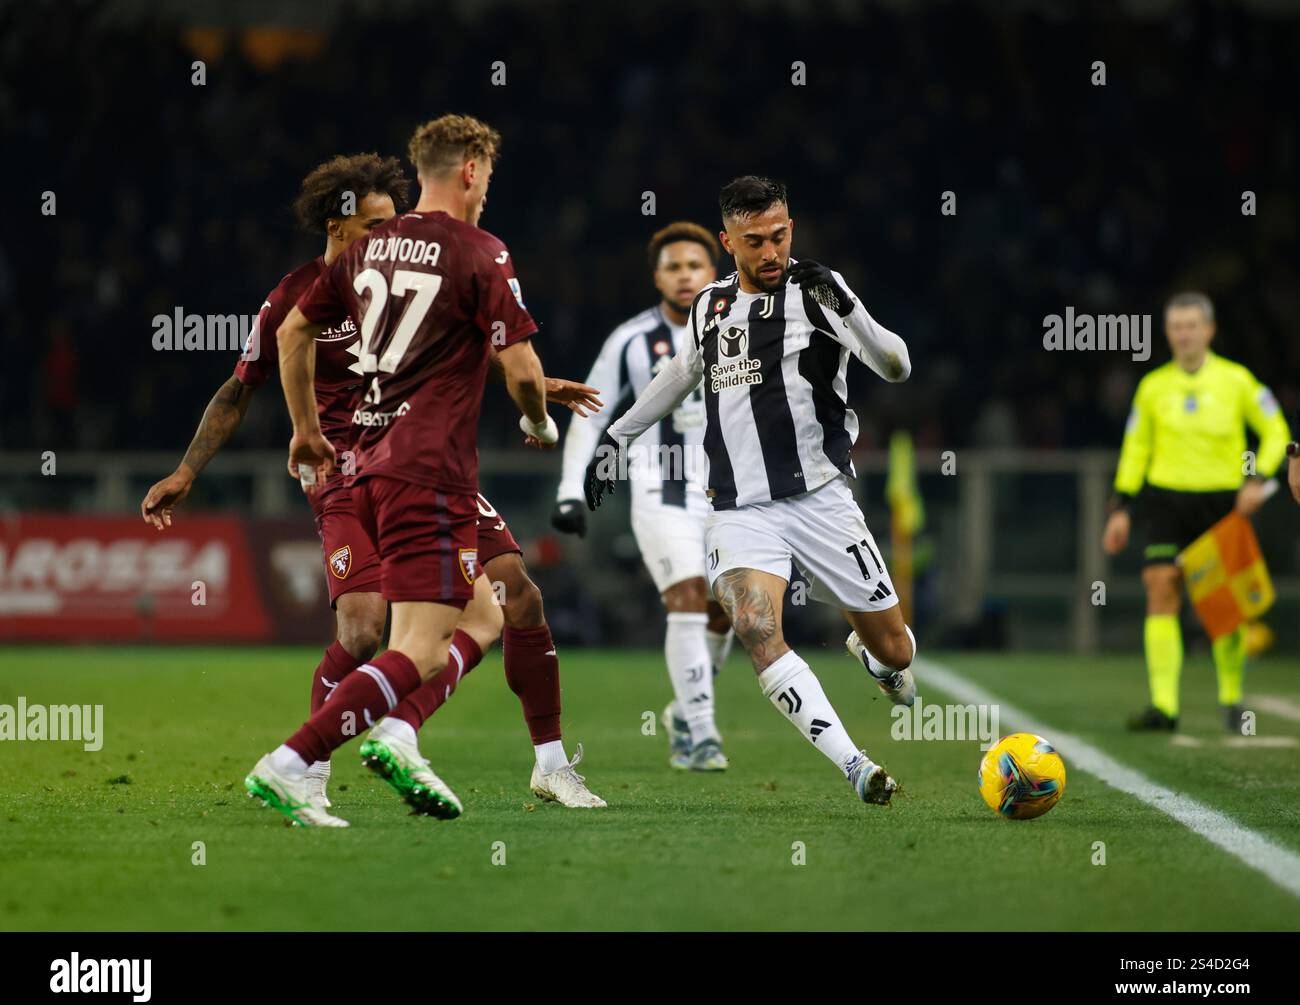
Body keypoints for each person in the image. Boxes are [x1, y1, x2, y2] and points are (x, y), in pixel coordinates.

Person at [244, 115, 605, 826]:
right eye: (488, 177)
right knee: (416, 647)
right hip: (428, 469)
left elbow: (294, 331)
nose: (487, 191)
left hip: (375, 465)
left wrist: (307, 432)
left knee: (488, 609)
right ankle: (295, 762)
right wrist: (536, 418)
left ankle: (407, 736)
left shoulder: (367, 254)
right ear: (471, 168)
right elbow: (520, 369)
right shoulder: (480, 250)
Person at [586, 176, 915, 807]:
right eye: (755, 241)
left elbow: (895, 366)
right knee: (757, 626)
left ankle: (875, 658)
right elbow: (682, 373)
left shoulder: (820, 291)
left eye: (781, 236)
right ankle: (855, 765)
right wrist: (618, 438)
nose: (772, 252)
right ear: (728, 241)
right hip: (738, 508)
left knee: (897, 653)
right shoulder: (710, 306)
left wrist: (849, 311)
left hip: (821, 500)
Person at [553, 222, 734, 770]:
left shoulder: (744, 325)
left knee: (725, 611)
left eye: (695, 266)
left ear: (714, 272)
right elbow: (591, 413)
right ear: (657, 276)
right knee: (685, 597)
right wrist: (570, 491)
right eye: (674, 267)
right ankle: (702, 733)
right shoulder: (630, 340)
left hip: (732, 494)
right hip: (660, 487)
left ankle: (683, 711)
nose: (685, 276)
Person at [1102, 292, 1291, 732]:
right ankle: (1164, 707)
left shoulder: (1237, 381)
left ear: (1209, 330)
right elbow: (1136, 449)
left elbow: (1275, 429)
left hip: (1222, 504)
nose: (1184, 334)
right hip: (1166, 503)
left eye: (1192, 326)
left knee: (1223, 602)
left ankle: (1231, 700)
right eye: (1176, 327)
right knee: (1161, 588)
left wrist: (1258, 479)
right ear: (1168, 333)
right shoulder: (1152, 387)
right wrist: (1121, 507)